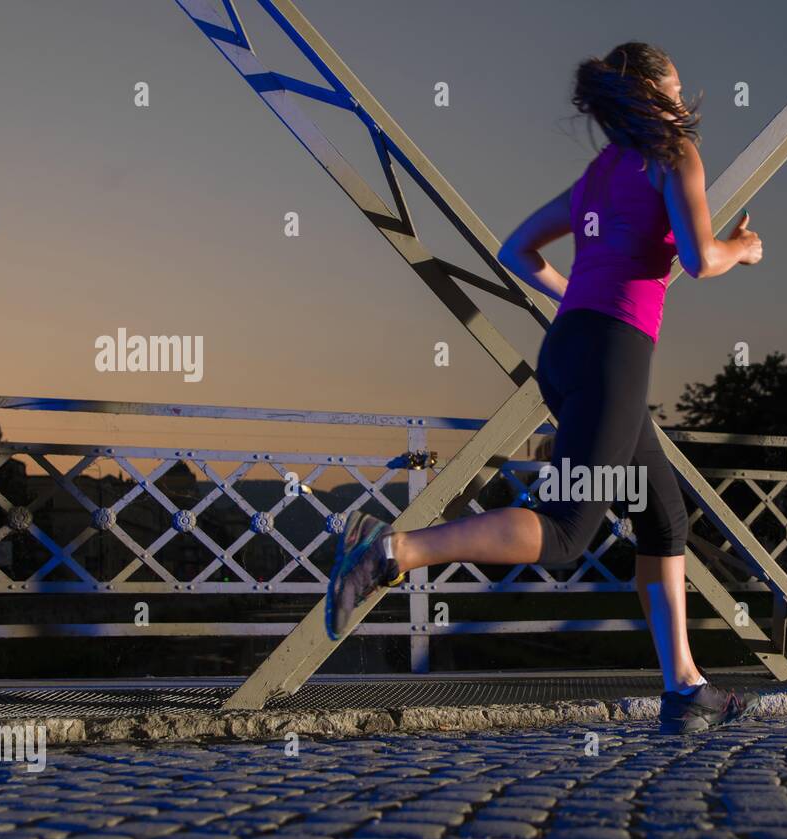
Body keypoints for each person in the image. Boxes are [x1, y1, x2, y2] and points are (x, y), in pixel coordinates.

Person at [327, 42, 763, 734]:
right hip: (613, 355)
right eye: (675, 89)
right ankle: (391, 550)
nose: (684, 103)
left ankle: (684, 686)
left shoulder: (600, 172)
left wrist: (575, 299)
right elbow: (699, 257)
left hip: (569, 351)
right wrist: (743, 249)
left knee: (663, 519)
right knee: (565, 531)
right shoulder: (674, 154)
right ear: (649, 94)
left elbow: (516, 251)